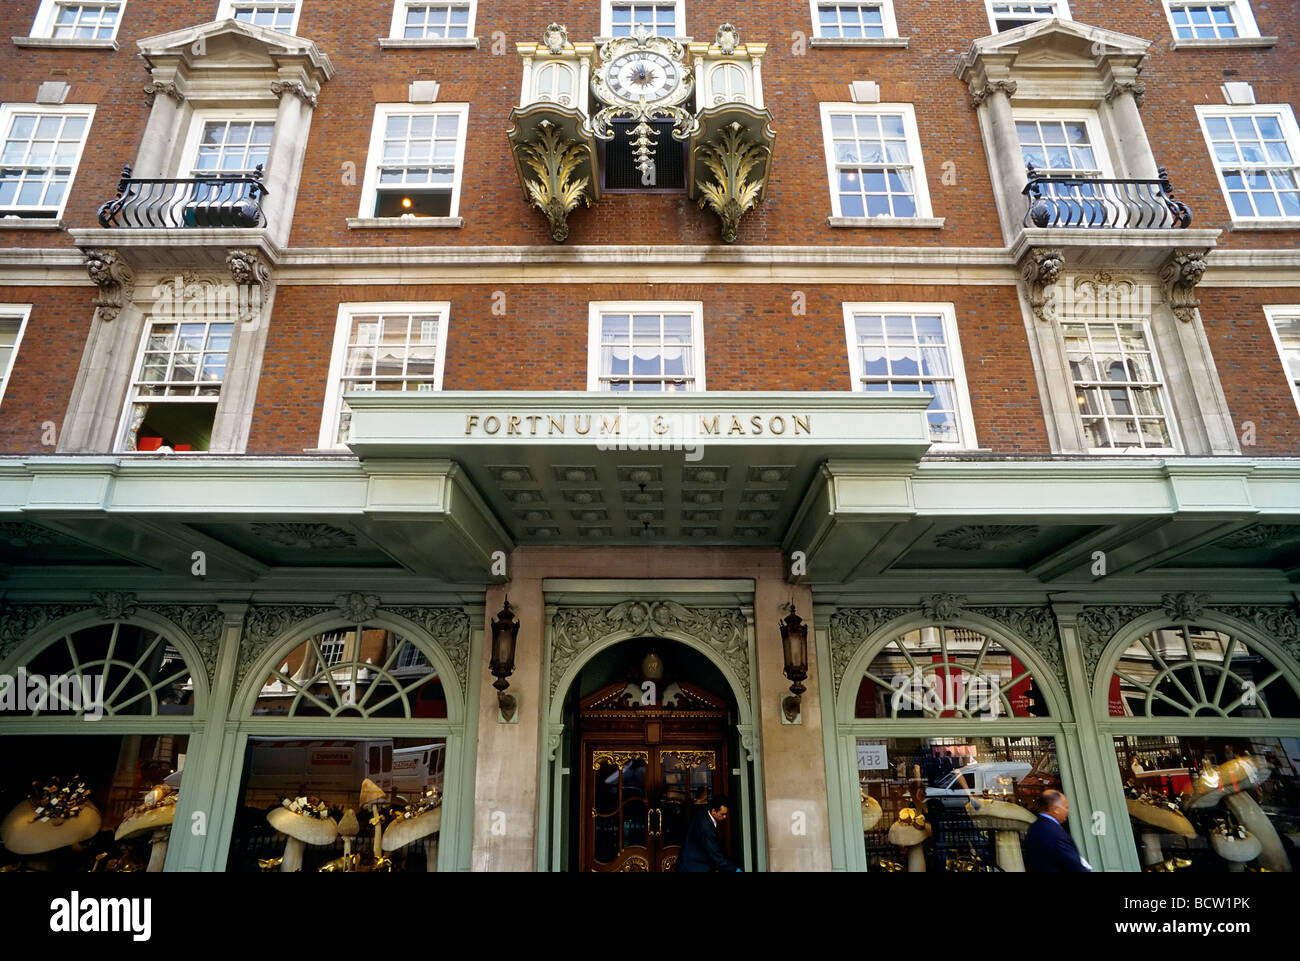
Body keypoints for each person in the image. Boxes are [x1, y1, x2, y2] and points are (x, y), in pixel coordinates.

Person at [1024, 789, 1090, 872]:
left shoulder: (1033, 828)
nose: (1068, 811)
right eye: (1066, 807)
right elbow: (1075, 867)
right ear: (1056, 809)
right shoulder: (1056, 834)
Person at [675, 795, 741, 872]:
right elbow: (715, 854)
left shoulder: (702, 814)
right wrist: (735, 869)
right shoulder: (706, 828)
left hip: (688, 863)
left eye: (726, 814)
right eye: (722, 814)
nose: (724, 817)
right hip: (694, 867)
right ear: (713, 811)